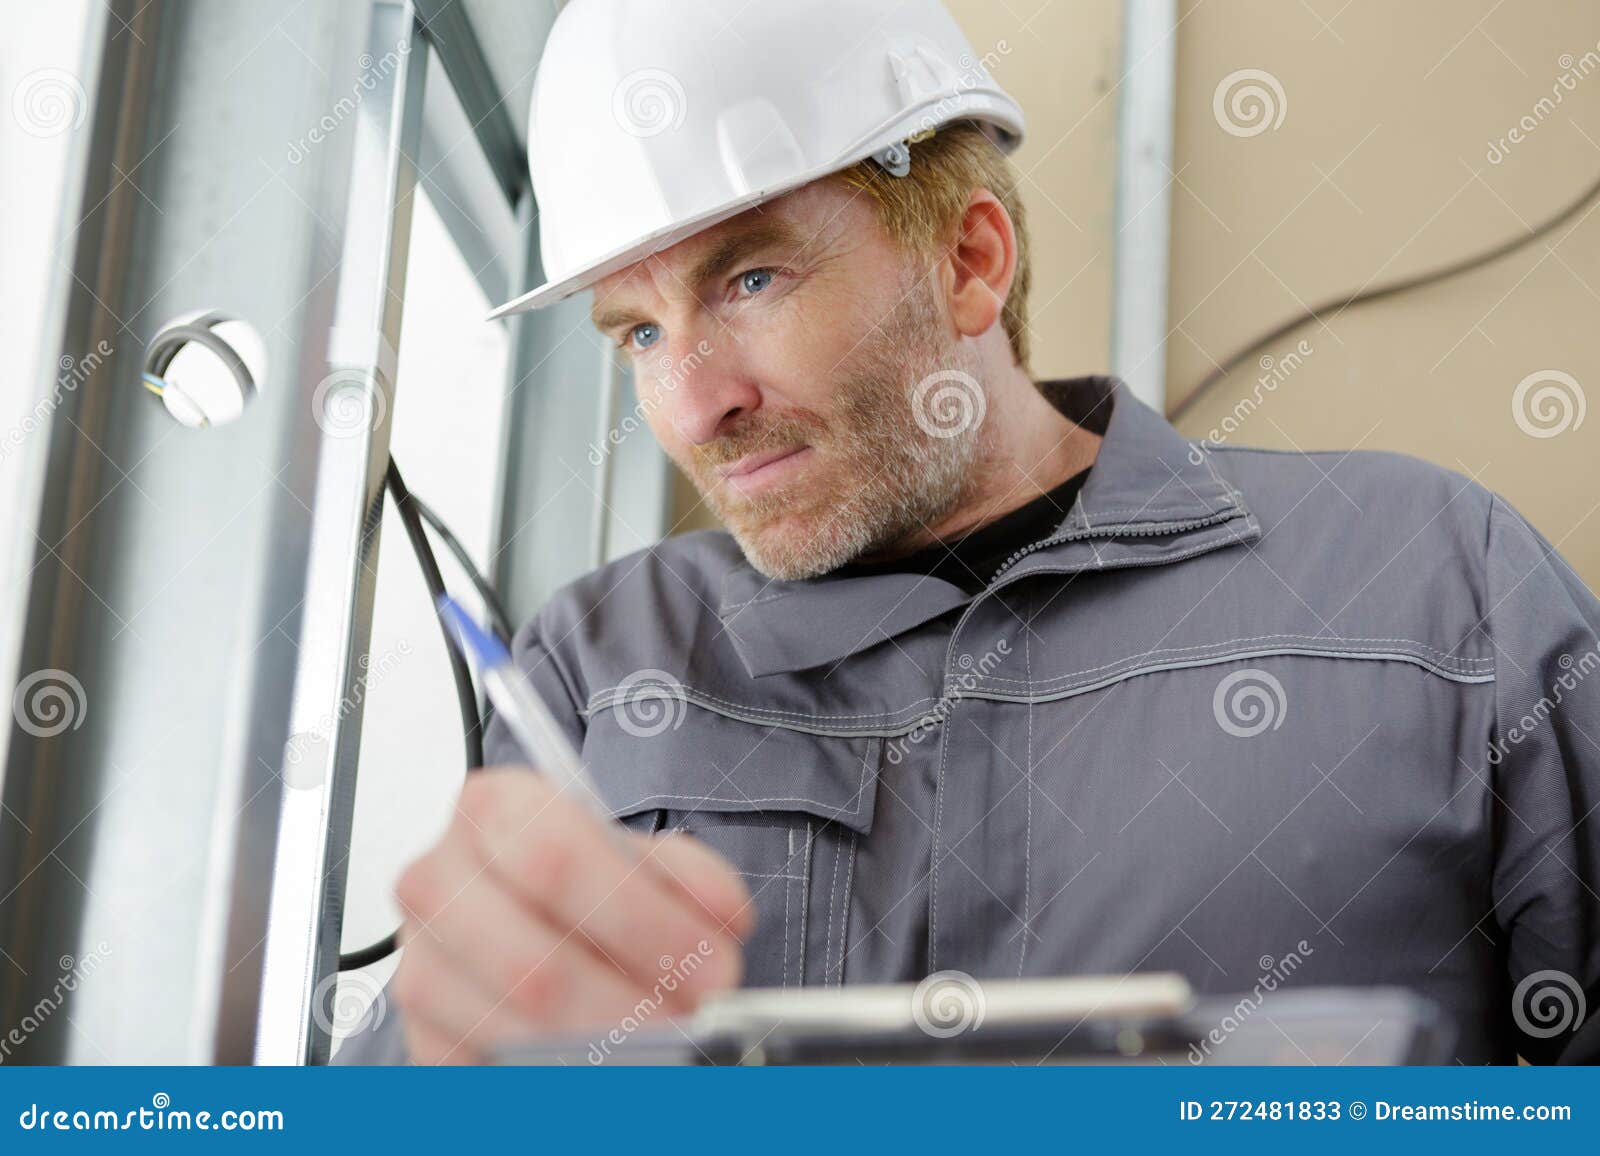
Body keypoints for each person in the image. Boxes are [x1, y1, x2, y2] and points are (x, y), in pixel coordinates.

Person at [338, 0, 1600, 1065]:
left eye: (750, 279)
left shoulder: (1433, 581)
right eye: (639, 332)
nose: (689, 405)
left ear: (968, 258)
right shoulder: (600, 663)